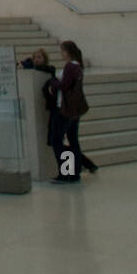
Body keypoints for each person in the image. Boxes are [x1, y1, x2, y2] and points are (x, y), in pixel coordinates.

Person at [49, 40, 90, 183]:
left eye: (62, 50)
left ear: (67, 52)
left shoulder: (70, 67)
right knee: (73, 140)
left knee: (56, 140)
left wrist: (52, 82)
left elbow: (64, 86)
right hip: (75, 109)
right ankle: (74, 172)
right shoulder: (78, 67)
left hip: (65, 109)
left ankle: (66, 172)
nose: (61, 53)